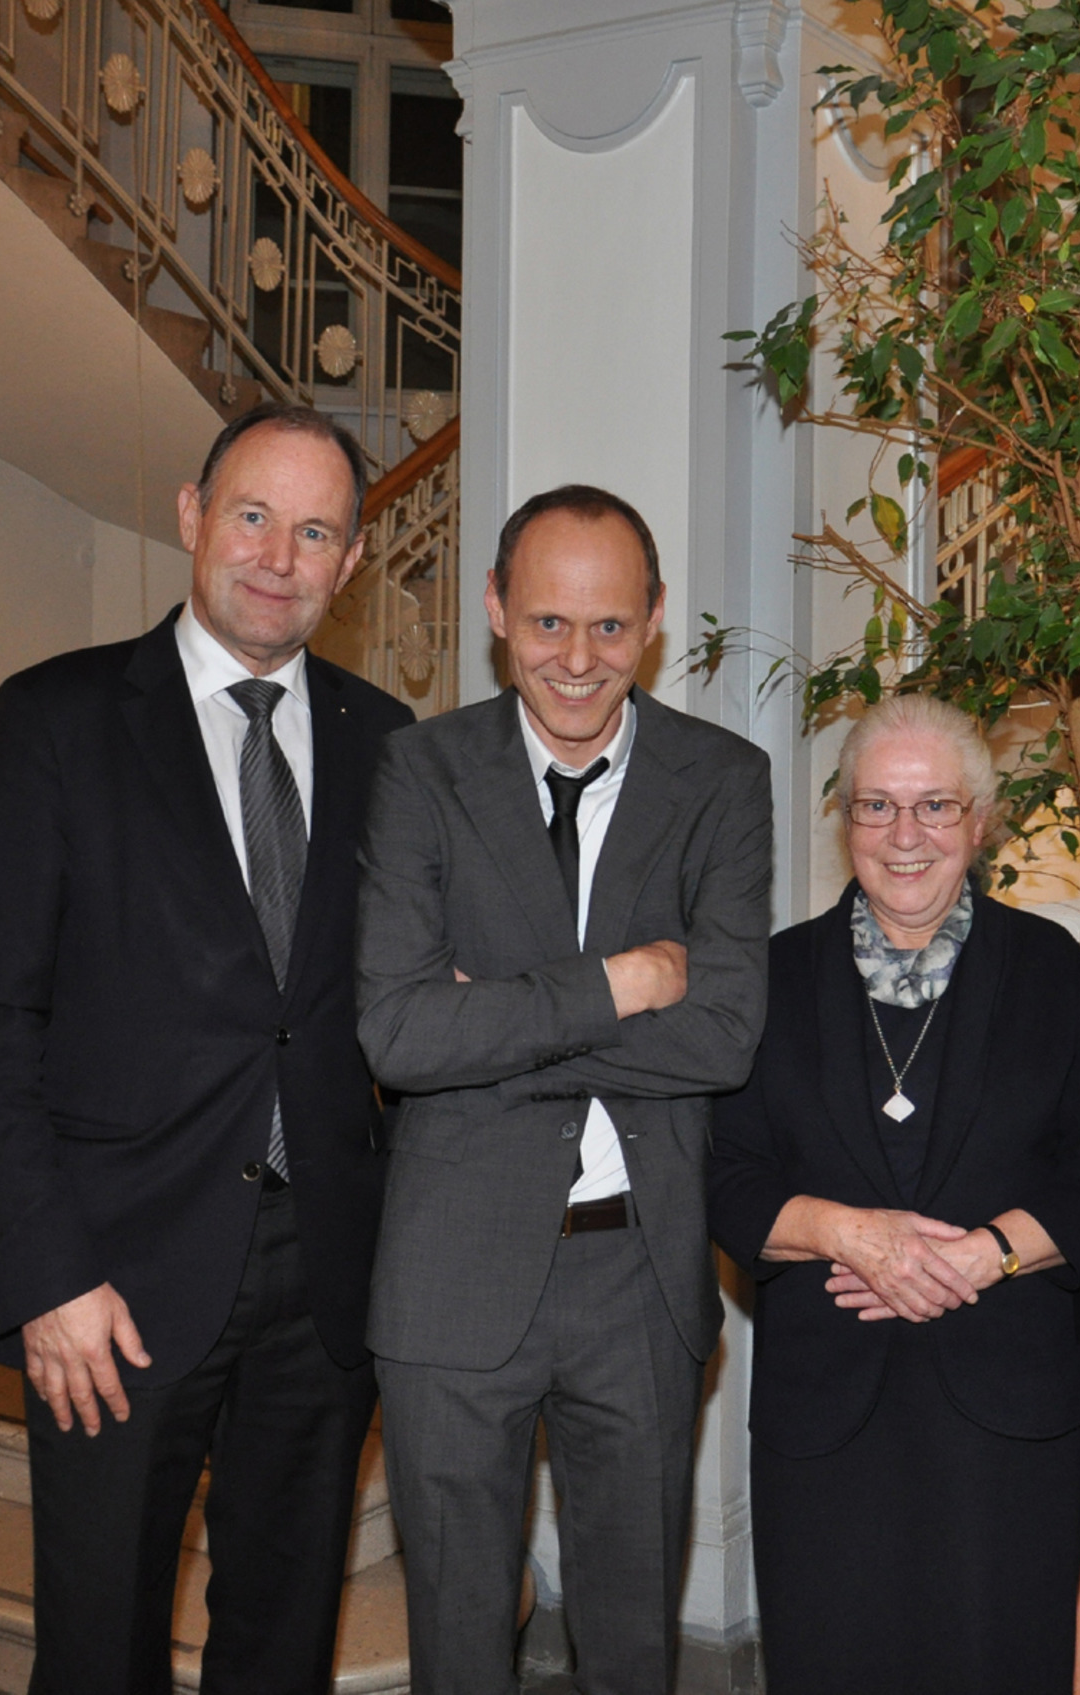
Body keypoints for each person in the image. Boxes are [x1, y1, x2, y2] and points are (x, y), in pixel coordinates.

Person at [0, 403, 414, 1692]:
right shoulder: (58, 716)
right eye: (252, 515)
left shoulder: (388, 741)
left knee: (284, 1643)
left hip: (325, 1283)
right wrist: (42, 1273)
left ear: (353, 560)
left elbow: (404, 1009)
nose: (278, 557)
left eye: (315, 532)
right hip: (112, 1282)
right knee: (100, 1650)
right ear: (193, 516)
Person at [354, 483, 772, 1695]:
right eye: (546, 623)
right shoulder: (420, 772)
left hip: (638, 1277)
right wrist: (624, 984)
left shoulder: (721, 779)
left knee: (631, 1647)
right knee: (457, 1644)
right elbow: (398, 1034)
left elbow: (724, 1039)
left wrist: (492, 1017)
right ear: (495, 609)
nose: (576, 660)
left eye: (606, 626)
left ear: (651, 617)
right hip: (449, 1275)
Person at [707, 694, 1080, 1695]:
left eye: (935, 806)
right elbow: (723, 1174)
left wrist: (981, 1255)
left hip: (1004, 1409)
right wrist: (849, 1235)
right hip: (827, 1416)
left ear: (978, 823)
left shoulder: (1049, 970)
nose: (905, 835)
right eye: (877, 805)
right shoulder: (772, 977)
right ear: (846, 821)